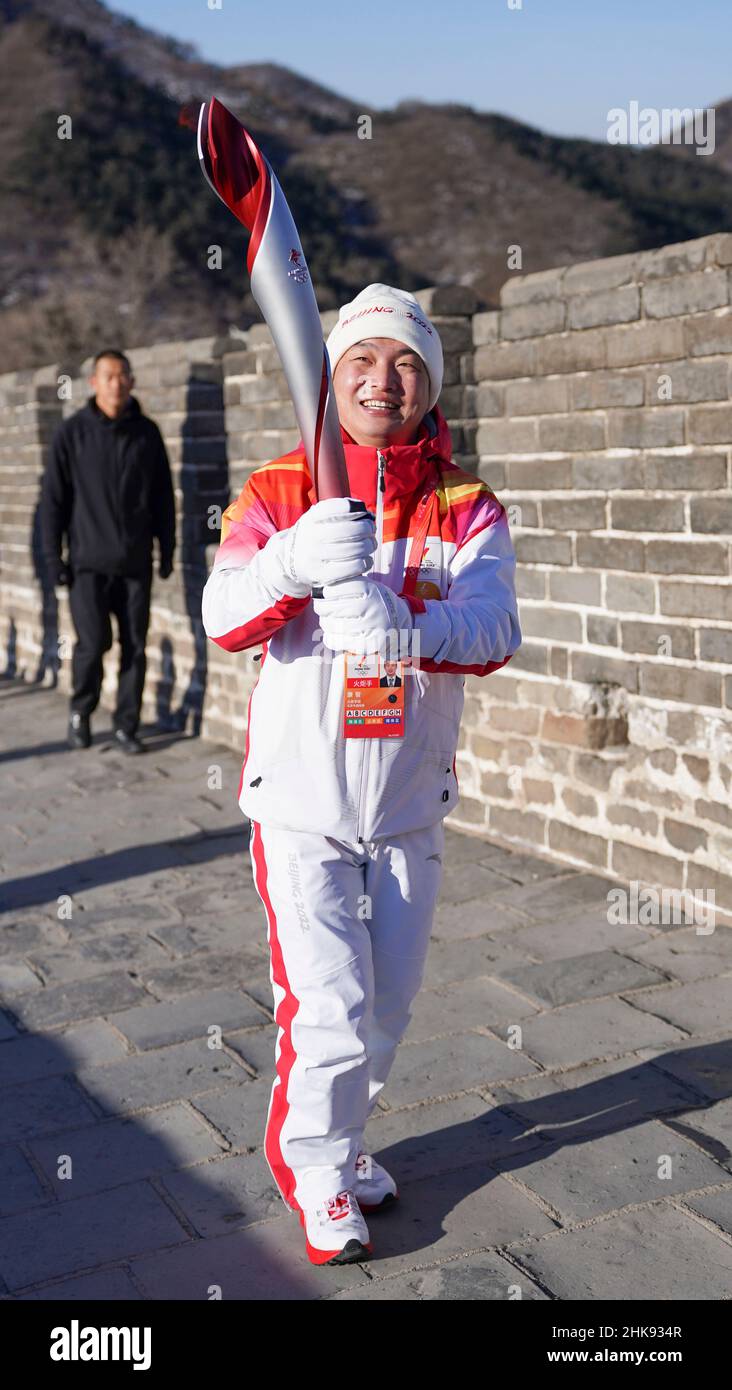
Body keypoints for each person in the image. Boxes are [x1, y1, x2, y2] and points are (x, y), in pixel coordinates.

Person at [201, 283, 522, 1266]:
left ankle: (341, 1139)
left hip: (406, 805)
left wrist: (410, 627)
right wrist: (290, 562)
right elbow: (223, 616)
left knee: (385, 1012)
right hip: (302, 810)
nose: (385, 380)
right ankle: (315, 1166)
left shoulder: (464, 505)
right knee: (331, 1009)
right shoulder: (276, 492)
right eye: (363, 361)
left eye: (408, 364)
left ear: (430, 383)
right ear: (333, 374)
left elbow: (496, 626)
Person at [40, 350, 176, 754]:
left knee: (135, 644)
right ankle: (81, 711)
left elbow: (162, 497)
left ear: (132, 382)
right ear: (94, 383)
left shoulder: (147, 433)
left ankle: (125, 726)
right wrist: (54, 560)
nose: (116, 383)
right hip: (87, 565)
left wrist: (166, 549)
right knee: (92, 643)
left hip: (136, 563)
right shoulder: (72, 434)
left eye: (123, 376)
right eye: (108, 376)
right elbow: (53, 502)